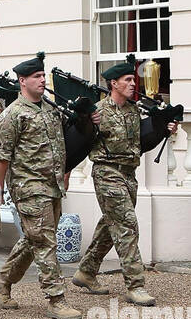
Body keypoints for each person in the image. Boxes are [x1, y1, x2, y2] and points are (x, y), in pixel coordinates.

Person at [72, 54, 178, 305]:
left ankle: (86, 271)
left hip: (129, 174)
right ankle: (135, 284)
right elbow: (80, 138)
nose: (133, 84)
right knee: (127, 225)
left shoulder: (132, 111)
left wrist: (165, 128)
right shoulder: (98, 112)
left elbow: (141, 143)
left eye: (133, 79)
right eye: (128, 80)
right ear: (113, 83)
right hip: (106, 172)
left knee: (112, 226)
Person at [0, 53, 85, 319]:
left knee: (35, 238)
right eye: (36, 77)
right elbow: (1, 154)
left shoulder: (51, 110)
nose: (42, 80)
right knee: (44, 242)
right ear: (22, 81)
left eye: (43, 76)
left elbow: (62, 146)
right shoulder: (13, 115)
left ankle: (2, 280)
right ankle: (56, 298)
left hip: (51, 185)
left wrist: (66, 172)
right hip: (28, 188)